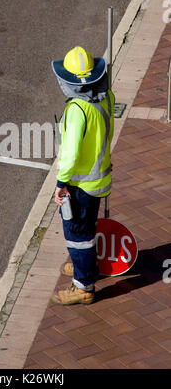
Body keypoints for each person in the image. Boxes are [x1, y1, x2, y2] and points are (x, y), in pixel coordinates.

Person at [50, 46, 115, 305]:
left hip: (79, 184)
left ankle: (83, 285)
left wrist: (61, 183)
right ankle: (83, 267)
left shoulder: (77, 109)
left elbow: (70, 152)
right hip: (100, 178)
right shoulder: (106, 96)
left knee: (77, 234)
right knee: (87, 227)